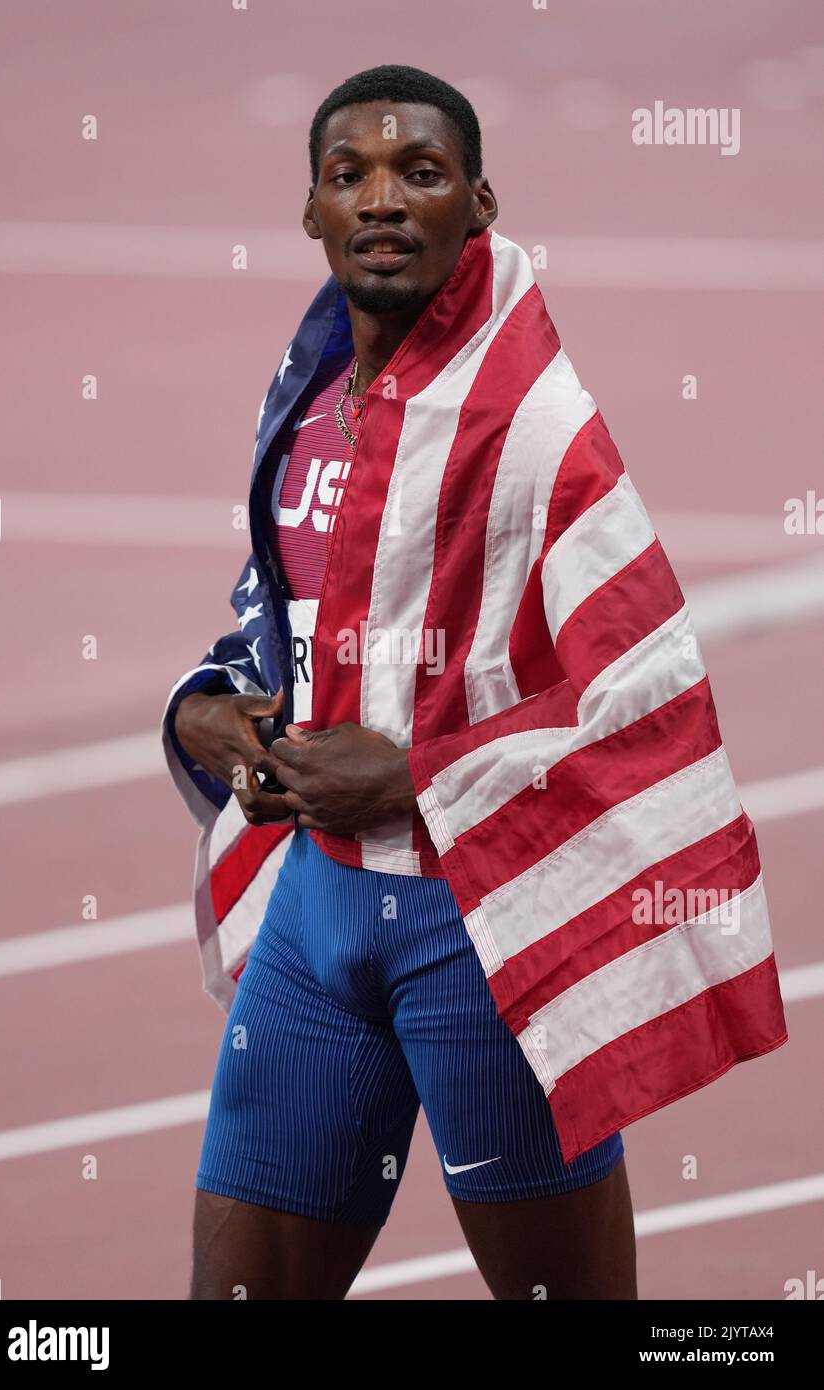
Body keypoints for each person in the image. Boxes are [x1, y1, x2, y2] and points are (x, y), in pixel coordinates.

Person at [163, 64, 786, 1301]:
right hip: (315, 926)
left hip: (481, 934)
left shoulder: (541, 424)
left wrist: (415, 774)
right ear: (311, 212)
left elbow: (643, 698)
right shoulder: (305, 397)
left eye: (420, 174)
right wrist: (207, 706)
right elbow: (275, 615)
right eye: (351, 177)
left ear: (479, 203)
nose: (382, 201)